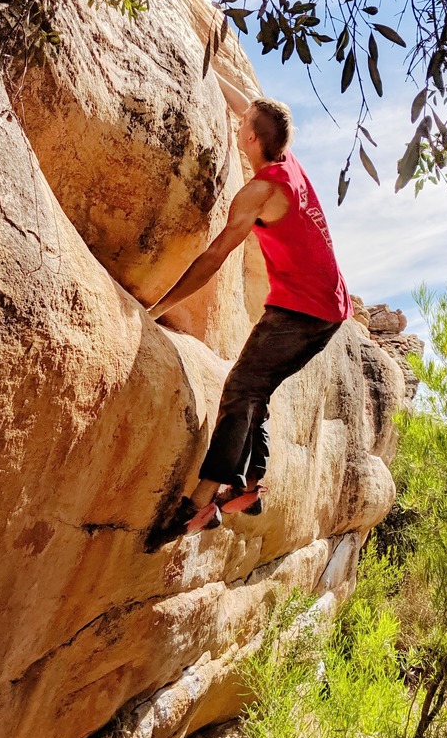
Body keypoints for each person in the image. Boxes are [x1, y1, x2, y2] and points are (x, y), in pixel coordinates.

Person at [148, 70, 352, 537]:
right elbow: (249, 105)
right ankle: (250, 486)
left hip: (304, 312)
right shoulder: (287, 161)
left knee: (240, 387)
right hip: (328, 307)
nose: (239, 122)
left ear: (252, 138)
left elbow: (216, 256)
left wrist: (159, 307)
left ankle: (201, 502)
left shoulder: (261, 190)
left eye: (245, 124)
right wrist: (209, 65)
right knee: (256, 387)